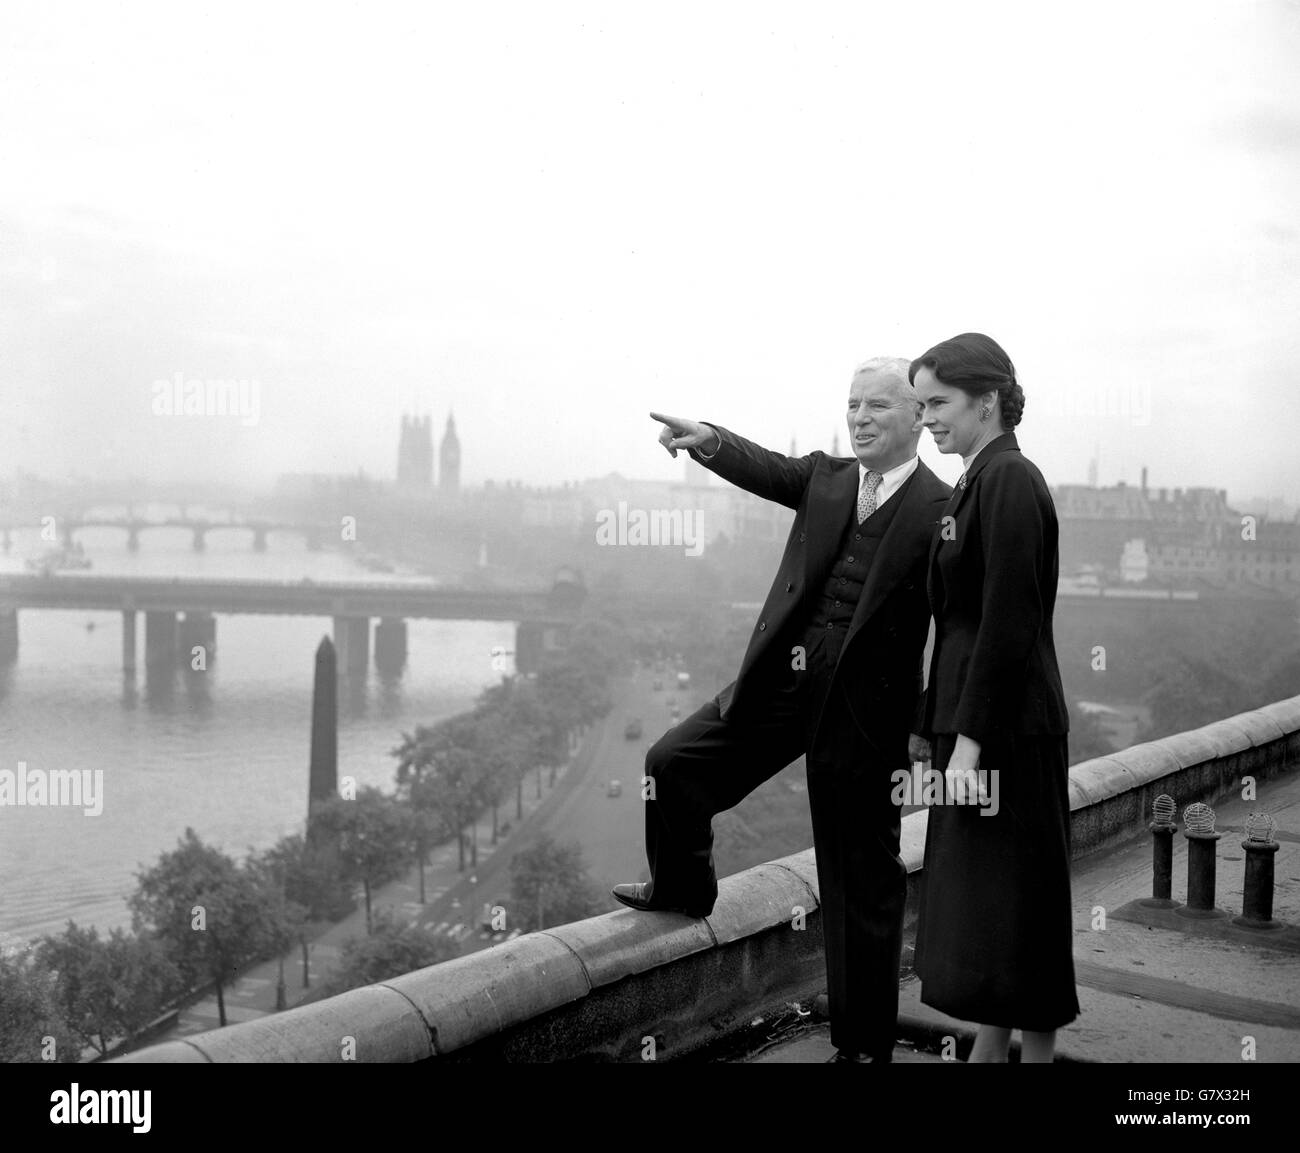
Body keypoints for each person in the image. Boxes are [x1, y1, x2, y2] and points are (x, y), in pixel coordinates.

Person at [611, 358, 951, 1063]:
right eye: (852, 403)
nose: (858, 416)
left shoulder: (941, 508)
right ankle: (683, 885)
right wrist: (707, 439)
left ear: (916, 416)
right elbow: (765, 469)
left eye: (877, 406)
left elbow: (957, 626)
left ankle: (862, 1047)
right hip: (783, 685)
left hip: (863, 714)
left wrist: (926, 723)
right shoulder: (826, 479)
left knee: (860, 881)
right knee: (671, 762)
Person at [909, 332, 1080, 1063]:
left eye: (938, 403)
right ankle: (991, 1054)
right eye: (920, 406)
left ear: (987, 401)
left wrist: (968, 744)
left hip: (1004, 732)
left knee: (1018, 909)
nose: (928, 420)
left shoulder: (1009, 479)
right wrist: (929, 728)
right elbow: (956, 624)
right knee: (999, 913)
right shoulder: (979, 480)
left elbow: (1008, 619)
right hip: (978, 728)